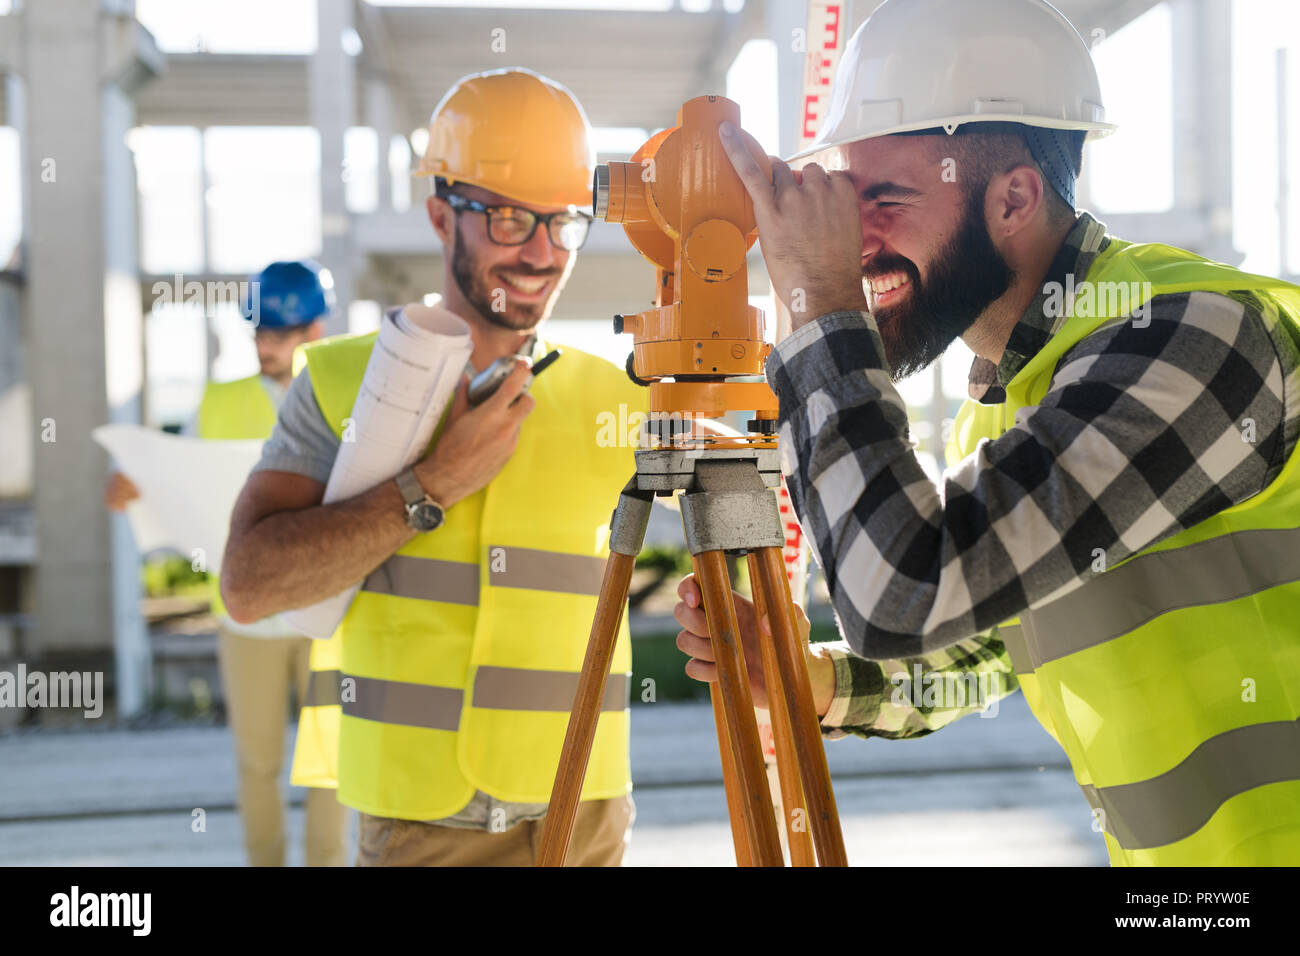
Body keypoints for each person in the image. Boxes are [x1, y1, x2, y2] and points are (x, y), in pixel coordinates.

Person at [676, 0, 1300, 865]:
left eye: (885, 198)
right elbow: (985, 656)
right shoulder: (1012, 400)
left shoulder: (1199, 340)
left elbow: (905, 592)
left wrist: (819, 309)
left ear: (1014, 198)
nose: (854, 240)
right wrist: (813, 681)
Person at [220, 67, 650, 867]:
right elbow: (249, 585)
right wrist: (428, 487)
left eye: (565, 224)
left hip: (581, 817)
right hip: (419, 826)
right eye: (512, 219)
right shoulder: (342, 380)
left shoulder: (613, 397)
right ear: (440, 216)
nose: (541, 253)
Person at [105, 260, 348, 866]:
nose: (265, 345)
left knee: (331, 764)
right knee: (257, 762)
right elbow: (173, 472)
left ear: (314, 330)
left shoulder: (349, 397)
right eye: (259, 333)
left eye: (278, 333)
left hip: (329, 614)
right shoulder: (219, 402)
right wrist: (134, 484)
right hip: (245, 619)